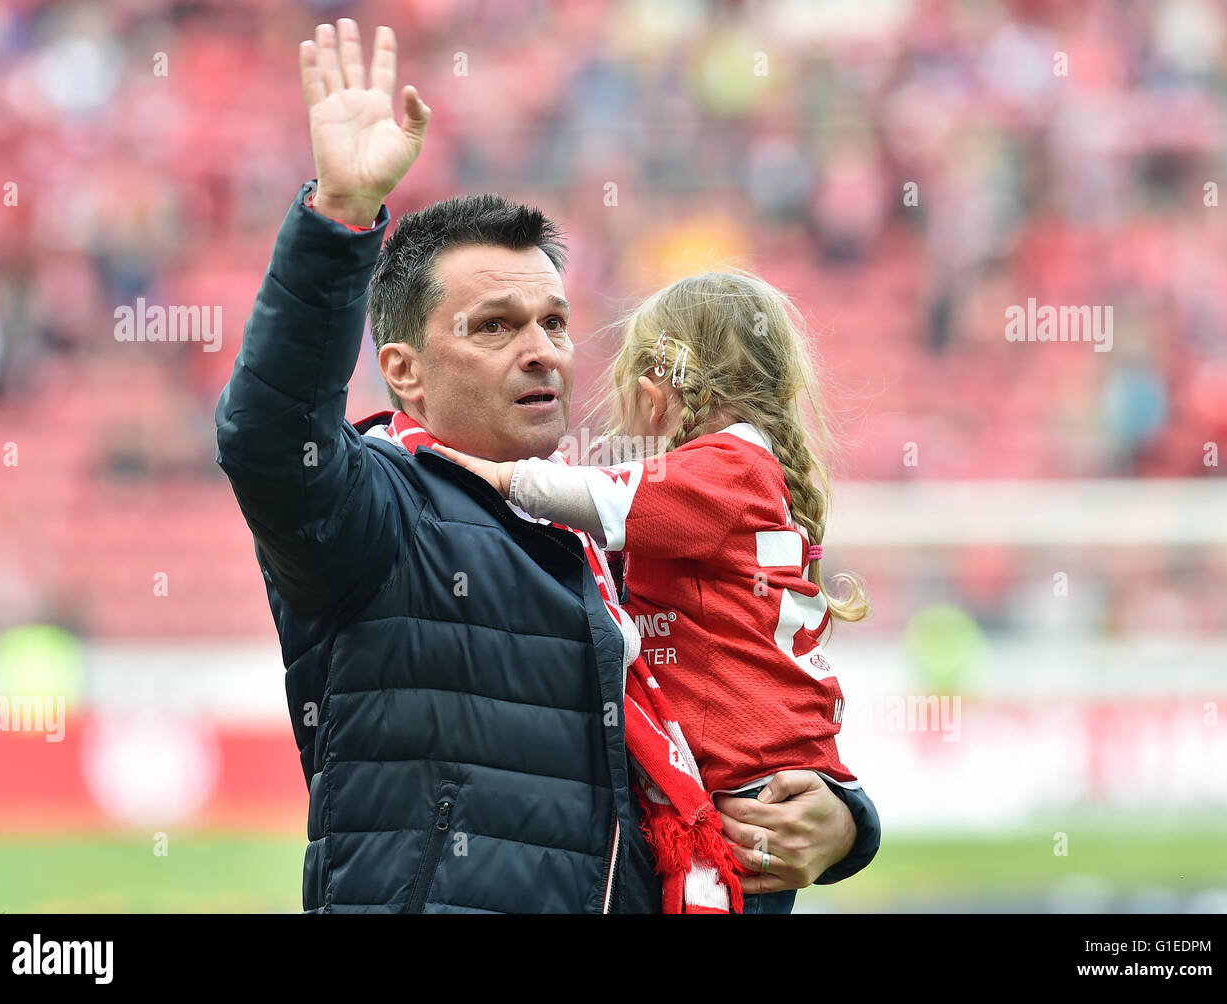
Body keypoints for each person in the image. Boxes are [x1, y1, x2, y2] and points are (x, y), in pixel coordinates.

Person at [215, 18, 879, 912]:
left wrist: (838, 820)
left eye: (556, 323)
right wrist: (337, 222)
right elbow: (266, 437)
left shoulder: (618, 526)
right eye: (494, 326)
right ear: (404, 369)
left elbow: (746, 705)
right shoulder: (376, 507)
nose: (543, 352)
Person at [433, 270, 871, 914]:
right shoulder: (745, 473)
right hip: (761, 773)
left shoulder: (722, 466)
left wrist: (490, 475)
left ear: (655, 393)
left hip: (745, 787)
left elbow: (600, 496)